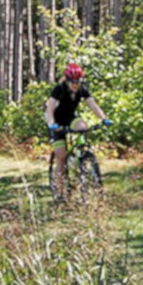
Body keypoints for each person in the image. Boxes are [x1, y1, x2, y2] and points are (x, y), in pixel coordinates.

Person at [45, 63, 111, 199]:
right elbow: (49, 109)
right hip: (57, 122)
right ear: (68, 81)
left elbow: (93, 105)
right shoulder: (59, 89)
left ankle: (82, 154)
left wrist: (104, 118)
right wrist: (52, 124)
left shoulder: (82, 89)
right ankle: (59, 191)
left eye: (78, 82)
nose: (76, 85)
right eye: (73, 82)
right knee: (61, 156)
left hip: (70, 118)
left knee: (83, 126)